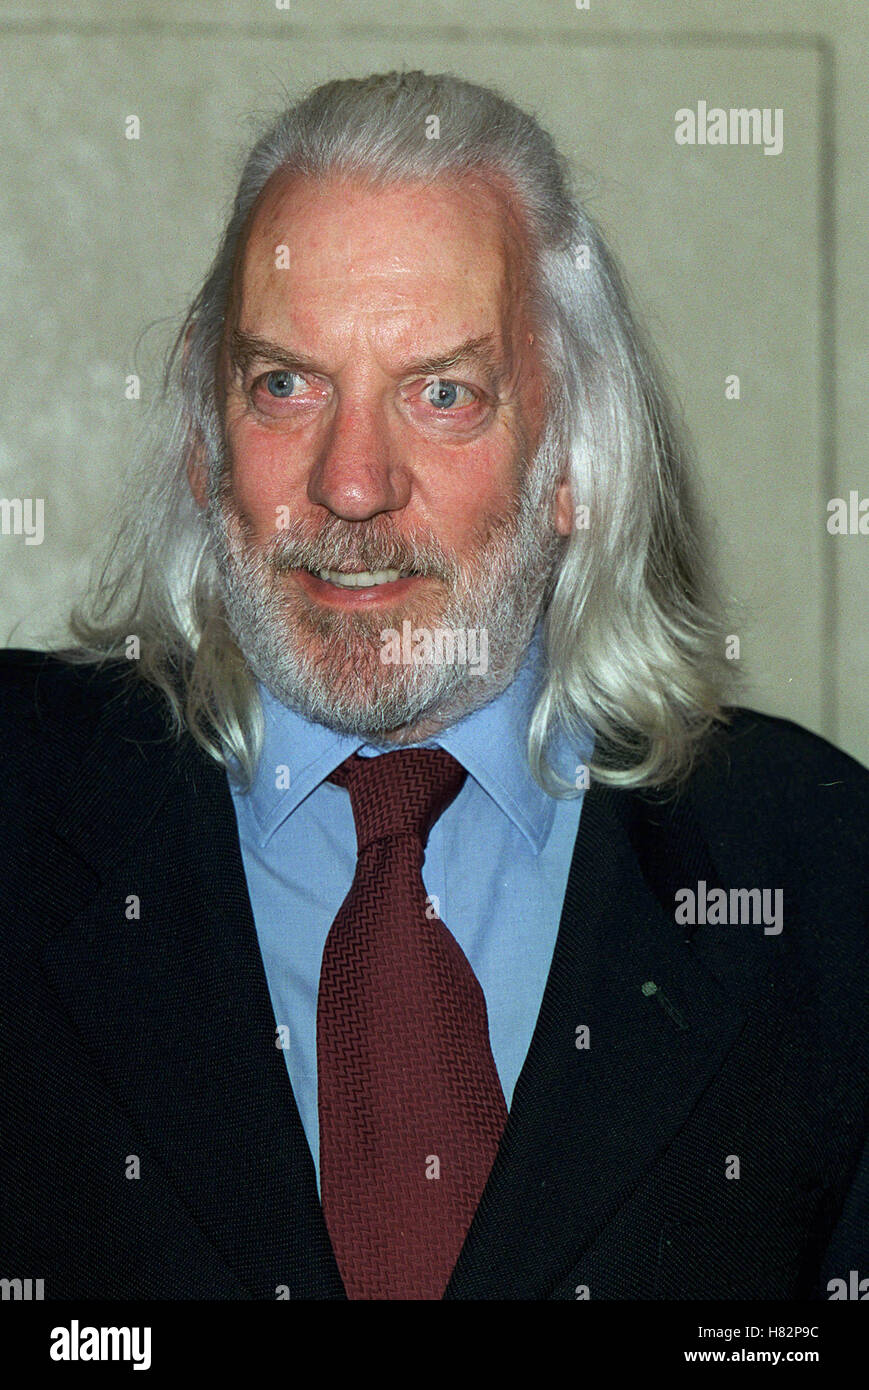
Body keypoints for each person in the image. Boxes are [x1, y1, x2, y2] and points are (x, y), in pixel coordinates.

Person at [1, 70, 865, 1302]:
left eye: (442, 394)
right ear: (204, 433)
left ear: (573, 454)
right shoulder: (23, 802)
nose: (352, 484)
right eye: (285, 385)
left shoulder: (822, 879)